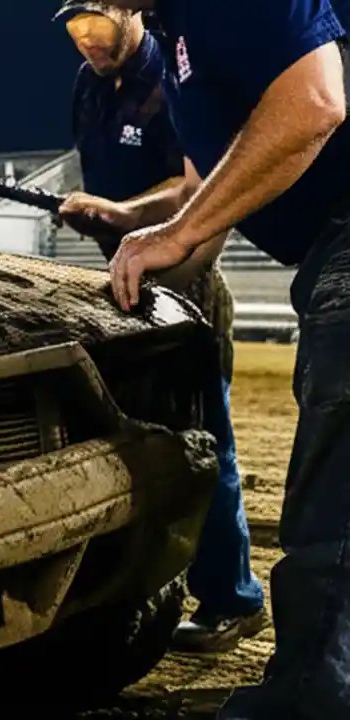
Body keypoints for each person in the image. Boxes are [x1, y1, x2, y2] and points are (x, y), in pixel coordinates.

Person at [63, 1, 350, 716]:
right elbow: (202, 180)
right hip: (326, 242)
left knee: (336, 477)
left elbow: (316, 98)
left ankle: (314, 694)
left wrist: (180, 234)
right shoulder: (179, 35)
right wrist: (133, 220)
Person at [56, 0, 268, 654]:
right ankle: (137, 583)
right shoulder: (90, 88)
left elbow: (195, 189)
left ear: (132, 12)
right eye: (75, 31)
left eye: (97, 25)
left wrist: (118, 213)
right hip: (124, 291)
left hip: (189, 285)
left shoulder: (174, 76)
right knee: (128, 437)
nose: (86, 42)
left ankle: (233, 599)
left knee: (209, 444)